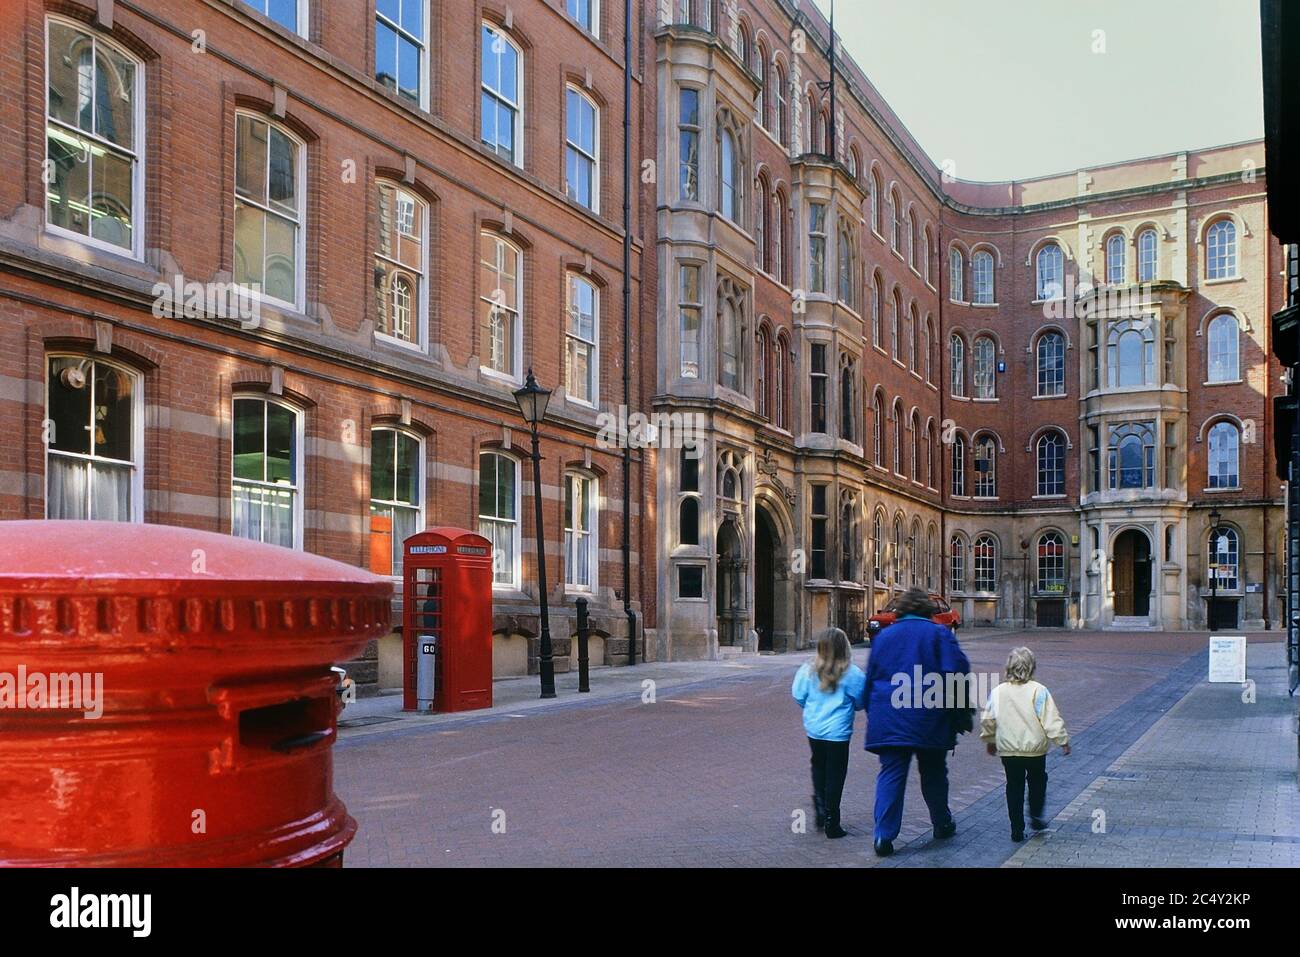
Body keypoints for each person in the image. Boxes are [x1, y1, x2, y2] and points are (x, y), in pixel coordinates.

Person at [862, 587, 971, 857]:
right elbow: (956, 673)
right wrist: (960, 712)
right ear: (927, 611)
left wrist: (870, 708)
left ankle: (883, 836)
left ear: (901, 611)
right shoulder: (939, 635)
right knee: (933, 772)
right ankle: (941, 822)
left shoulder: (884, 638)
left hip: (889, 715)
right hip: (928, 716)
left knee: (891, 773)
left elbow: (871, 678)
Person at [981, 646, 1071, 841]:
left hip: (1008, 750)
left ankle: (1016, 827)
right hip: (1034, 750)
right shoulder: (1039, 691)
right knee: (1038, 781)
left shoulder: (998, 692)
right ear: (1031, 667)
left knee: (1014, 785)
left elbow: (988, 719)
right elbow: (1050, 719)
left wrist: (989, 739)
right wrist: (1062, 740)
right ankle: (1036, 815)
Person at [791, 627, 866, 839]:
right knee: (836, 772)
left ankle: (821, 807)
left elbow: (798, 695)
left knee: (818, 765)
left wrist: (811, 707)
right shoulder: (852, 673)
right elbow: (861, 700)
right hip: (838, 731)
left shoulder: (807, 670)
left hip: (814, 728)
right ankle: (833, 819)